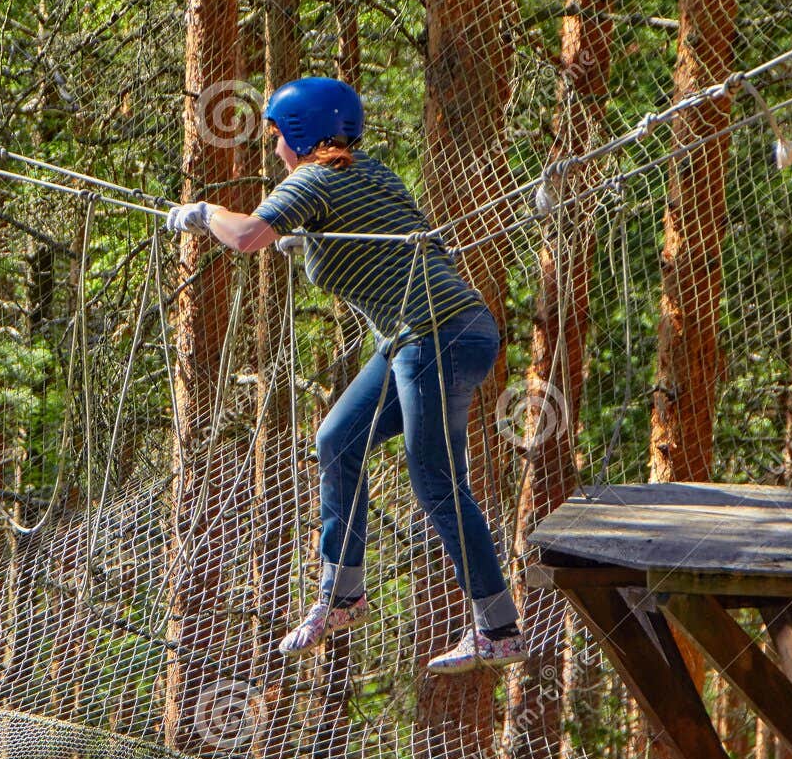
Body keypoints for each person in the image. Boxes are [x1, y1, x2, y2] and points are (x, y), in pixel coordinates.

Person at [165, 77, 525, 673]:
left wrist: (205, 214)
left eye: (278, 137)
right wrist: (305, 240)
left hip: (434, 334)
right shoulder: (371, 173)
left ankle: (499, 628)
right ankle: (342, 594)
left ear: (299, 133)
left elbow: (248, 236)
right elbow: (372, 237)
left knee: (436, 479)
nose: (276, 150)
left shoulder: (311, 178)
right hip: (434, 332)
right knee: (338, 439)